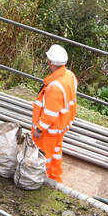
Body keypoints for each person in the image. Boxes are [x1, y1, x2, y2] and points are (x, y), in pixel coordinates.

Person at [31, 44, 77, 183]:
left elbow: (50, 114)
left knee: (43, 156)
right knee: (56, 153)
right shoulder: (70, 76)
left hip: (49, 130)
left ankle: (39, 179)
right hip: (61, 126)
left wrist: (39, 129)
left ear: (50, 62)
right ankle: (55, 178)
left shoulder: (54, 87)